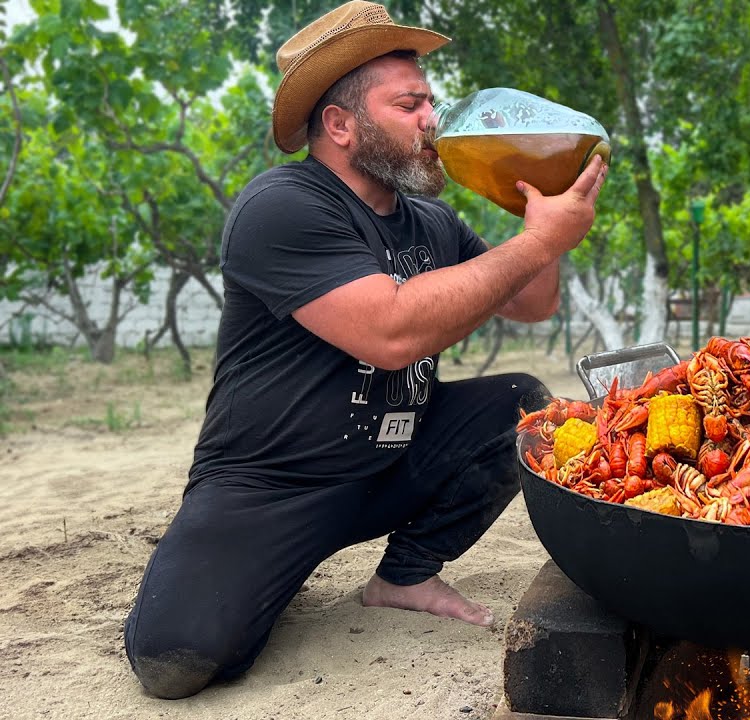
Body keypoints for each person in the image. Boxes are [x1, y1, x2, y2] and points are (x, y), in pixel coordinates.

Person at [123, 0, 607, 700]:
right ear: (342, 125)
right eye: (410, 104)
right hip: (271, 486)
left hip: (391, 466)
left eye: (431, 102)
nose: (432, 121)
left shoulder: (432, 220)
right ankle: (255, 573)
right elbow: (391, 334)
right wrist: (540, 240)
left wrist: (537, 202)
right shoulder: (282, 206)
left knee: (524, 406)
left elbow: (534, 303)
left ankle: (404, 575)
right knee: (179, 661)